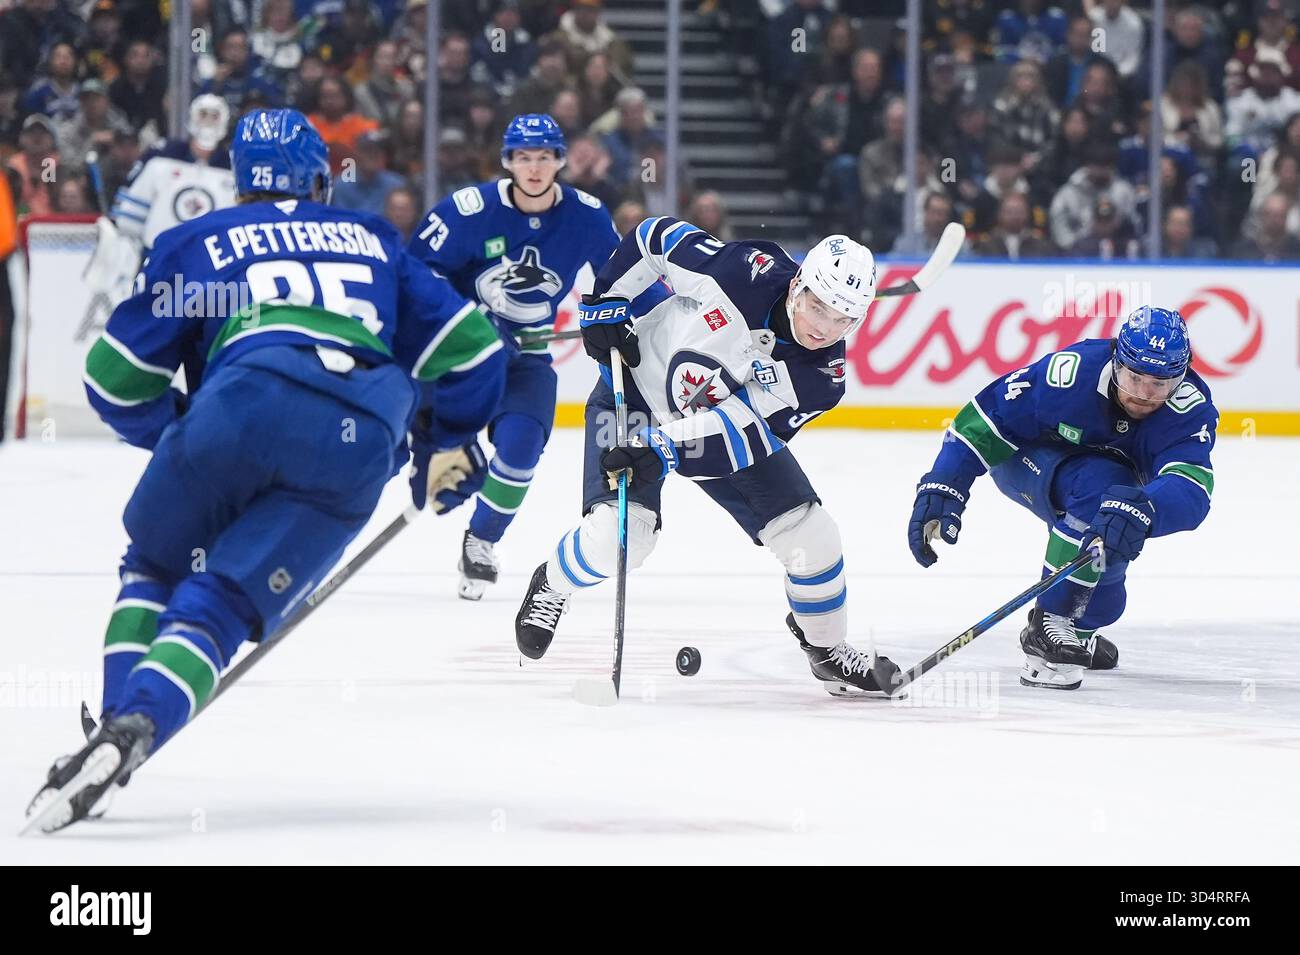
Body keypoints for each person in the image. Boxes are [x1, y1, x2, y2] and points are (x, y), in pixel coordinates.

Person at [24, 108, 506, 834]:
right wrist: (453, 440)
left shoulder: (196, 239)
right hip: (363, 434)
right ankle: (133, 731)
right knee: (219, 603)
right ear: (320, 179)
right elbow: (473, 351)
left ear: (238, 181)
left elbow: (112, 379)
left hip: (242, 399)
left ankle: (121, 726)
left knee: (155, 567)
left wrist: (180, 430)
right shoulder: (372, 237)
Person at [514, 225, 900, 697]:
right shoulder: (743, 272)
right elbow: (655, 238)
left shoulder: (821, 378)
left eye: (842, 319)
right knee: (622, 538)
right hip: (635, 394)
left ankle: (826, 648)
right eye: (819, 305)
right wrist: (606, 301)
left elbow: (737, 430)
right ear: (798, 284)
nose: (823, 328)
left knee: (813, 536)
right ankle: (552, 584)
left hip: (718, 440)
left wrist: (664, 447)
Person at [907, 307, 1216, 690]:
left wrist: (1147, 508)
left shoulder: (1190, 409)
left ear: (1181, 377)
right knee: (1102, 488)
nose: (1142, 394)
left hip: (1108, 488)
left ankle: (1078, 630)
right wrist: (944, 483)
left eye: (1159, 384)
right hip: (1027, 462)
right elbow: (985, 417)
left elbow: (1192, 486)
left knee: (1106, 596)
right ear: (1116, 359)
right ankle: (1049, 625)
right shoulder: (1070, 374)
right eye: (1133, 377)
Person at [407, 113, 620, 600]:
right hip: (457, 358)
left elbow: (624, 280)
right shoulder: (467, 210)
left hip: (525, 357)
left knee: (523, 445)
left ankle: (481, 541)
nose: (534, 167)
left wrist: (643, 319)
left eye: (544, 157)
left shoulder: (586, 215)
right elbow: (416, 276)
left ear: (560, 161)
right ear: (507, 162)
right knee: (407, 441)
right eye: (523, 157)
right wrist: (471, 327)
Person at [86, 95, 237, 306]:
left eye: (214, 116)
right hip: (159, 259)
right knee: (149, 320)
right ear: (192, 117)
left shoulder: (234, 168)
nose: (208, 122)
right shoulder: (161, 156)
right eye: (203, 115)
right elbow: (128, 219)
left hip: (211, 265)